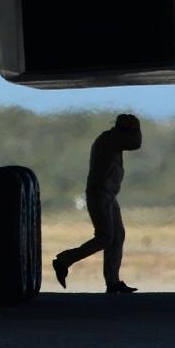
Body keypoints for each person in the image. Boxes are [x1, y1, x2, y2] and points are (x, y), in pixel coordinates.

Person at [53, 113, 143, 294]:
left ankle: (113, 282)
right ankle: (64, 260)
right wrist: (136, 128)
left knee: (117, 236)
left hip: (108, 195)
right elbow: (136, 143)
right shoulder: (109, 140)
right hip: (100, 194)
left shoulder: (111, 140)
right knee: (105, 237)